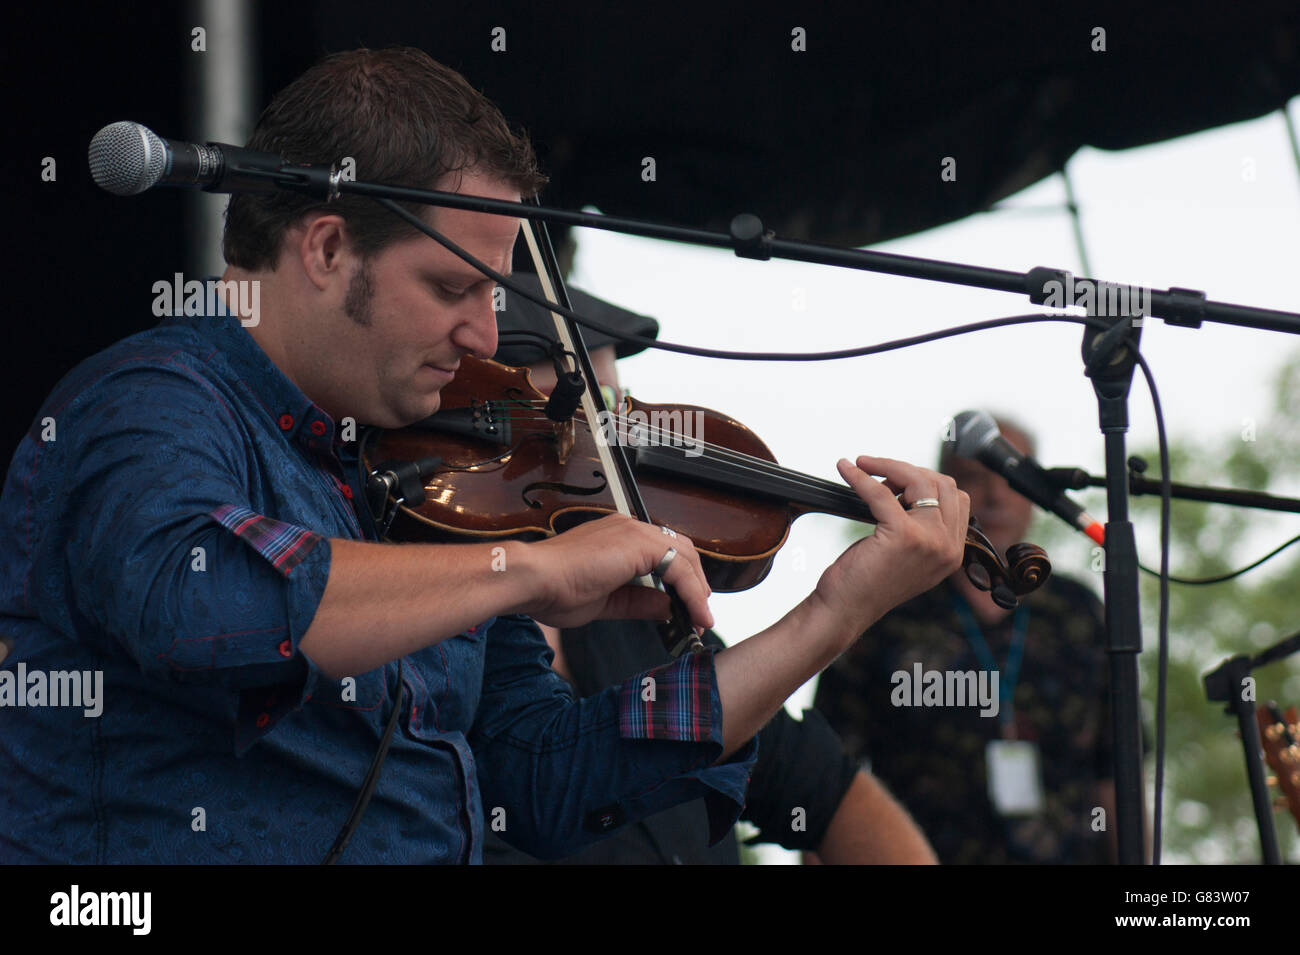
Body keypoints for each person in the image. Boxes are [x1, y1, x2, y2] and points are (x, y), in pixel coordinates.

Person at [0, 46, 969, 864]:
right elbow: (202, 600)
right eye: (451, 287)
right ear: (327, 248)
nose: (482, 335)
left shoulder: (412, 480)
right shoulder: (149, 405)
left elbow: (544, 775)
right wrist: (528, 568)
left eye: (496, 295)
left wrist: (832, 614)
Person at [481, 278, 938, 864]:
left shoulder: (650, 628)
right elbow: (551, 783)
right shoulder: (443, 638)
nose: (622, 447)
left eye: (620, 410)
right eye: (576, 414)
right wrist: (839, 611)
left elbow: (827, 793)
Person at [814, 419, 1119, 864]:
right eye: (976, 478)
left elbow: (1116, 771)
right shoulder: (889, 605)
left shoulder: (1079, 610)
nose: (996, 496)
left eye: (1013, 479)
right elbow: (827, 769)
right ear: (945, 492)